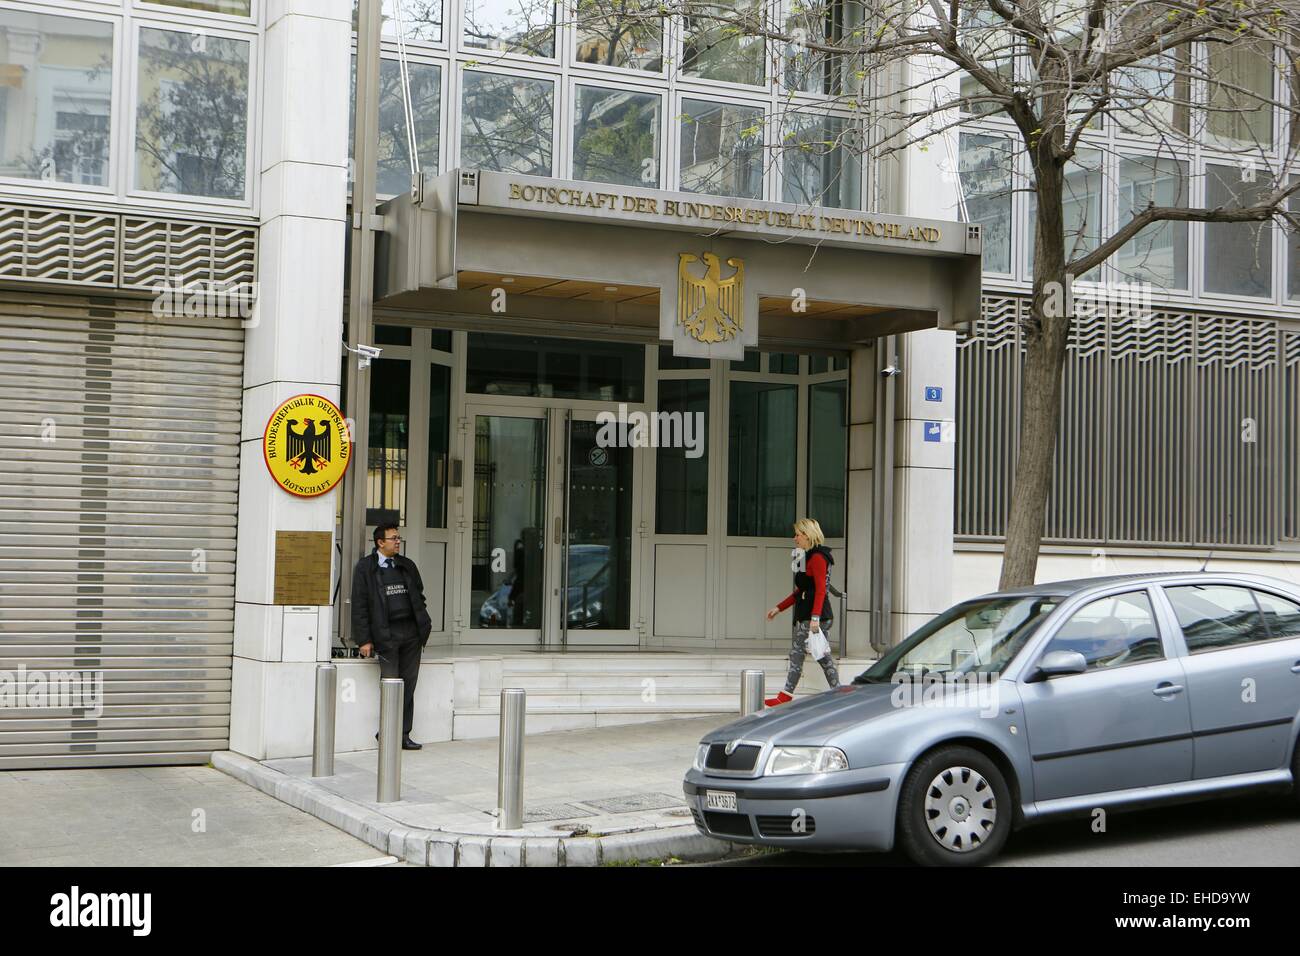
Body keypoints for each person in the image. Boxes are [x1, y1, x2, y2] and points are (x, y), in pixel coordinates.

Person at [351, 523, 432, 749]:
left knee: (409, 685)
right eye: (394, 538)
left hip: (412, 634)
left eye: (399, 538)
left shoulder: (406, 565)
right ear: (380, 542)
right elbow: (359, 606)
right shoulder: (366, 568)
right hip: (385, 636)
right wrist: (364, 640)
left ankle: (402, 734)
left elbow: (419, 595)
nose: (398, 541)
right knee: (391, 685)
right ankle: (388, 733)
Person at [764, 517, 841, 706]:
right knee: (814, 655)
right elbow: (802, 591)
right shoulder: (809, 556)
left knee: (805, 653)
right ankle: (838, 692)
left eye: (798, 535)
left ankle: (787, 696)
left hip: (816, 616)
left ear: (808, 536)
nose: (795, 538)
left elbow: (821, 589)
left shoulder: (817, 558)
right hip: (813, 615)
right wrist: (779, 608)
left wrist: (815, 618)